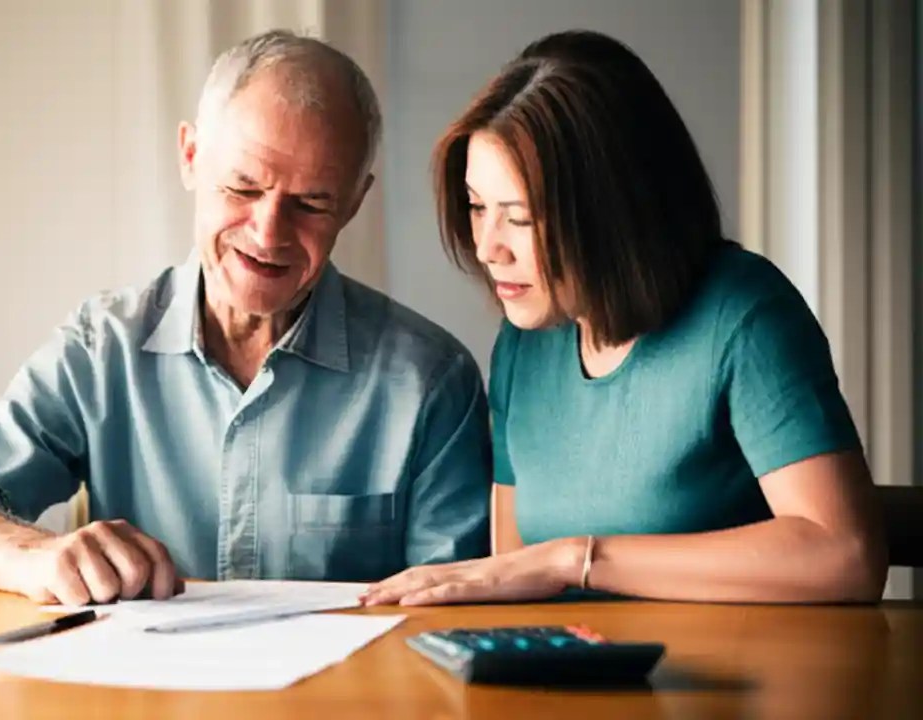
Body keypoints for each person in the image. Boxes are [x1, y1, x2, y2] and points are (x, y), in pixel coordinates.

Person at [0, 30, 492, 606]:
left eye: (311, 203)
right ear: (191, 156)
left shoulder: (431, 380)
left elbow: (445, 616)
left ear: (355, 203)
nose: (268, 233)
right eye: (242, 187)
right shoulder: (103, 348)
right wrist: (37, 558)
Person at [362, 30, 887, 607]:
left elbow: (845, 553)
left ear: (613, 211)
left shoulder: (745, 314)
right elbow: (514, 577)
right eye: (476, 206)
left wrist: (578, 559)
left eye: (520, 217)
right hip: (569, 680)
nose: (487, 248)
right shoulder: (522, 346)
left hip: (722, 686)